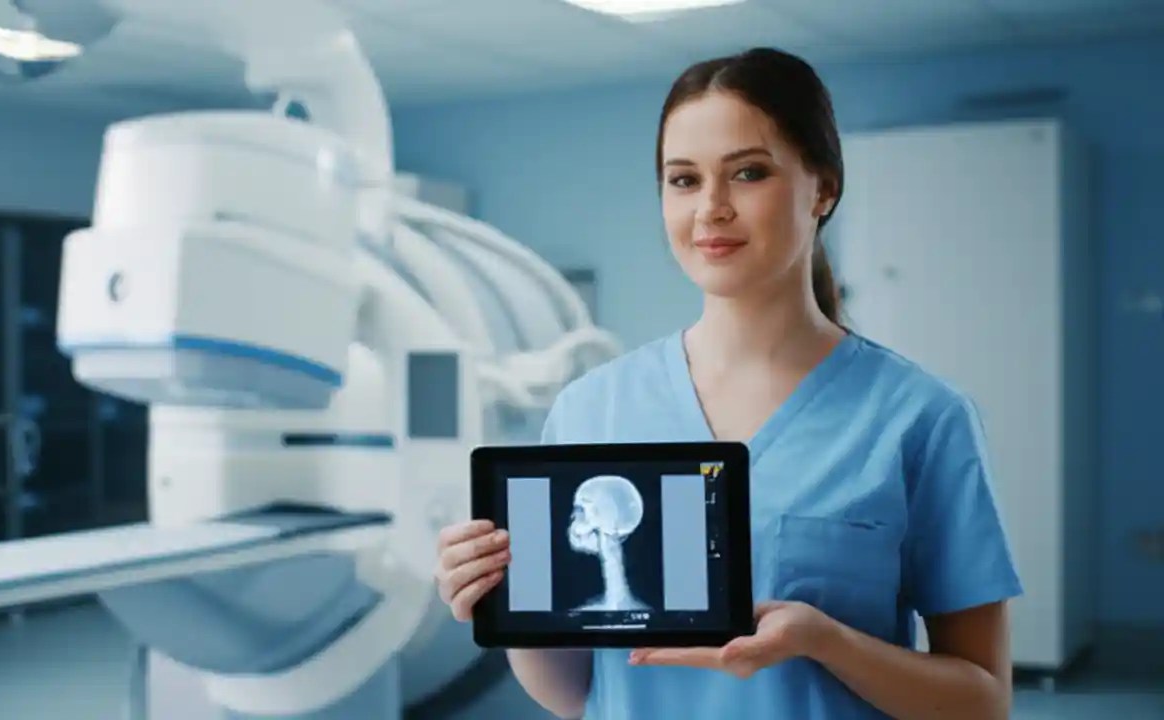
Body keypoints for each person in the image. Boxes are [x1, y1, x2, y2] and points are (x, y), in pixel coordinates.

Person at [433, 47, 1023, 720]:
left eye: (748, 173)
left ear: (823, 189)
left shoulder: (919, 418)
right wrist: (500, 600)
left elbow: (983, 702)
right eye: (684, 180)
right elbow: (579, 695)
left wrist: (825, 642)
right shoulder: (590, 409)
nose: (711, 208)